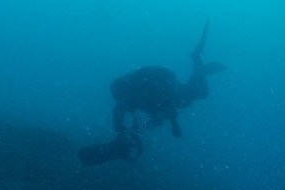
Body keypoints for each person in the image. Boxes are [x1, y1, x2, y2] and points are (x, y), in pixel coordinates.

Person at [80, 20, 224, 166]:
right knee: (193, 95)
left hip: (164, 86)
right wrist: (133, 129)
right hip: (163, 85)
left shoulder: (130, 95)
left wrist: (122, 128)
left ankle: (197, 61)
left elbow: (125, 109)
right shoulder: (132, 96)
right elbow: (157, 113)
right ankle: (199, 66)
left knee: (194, 95)